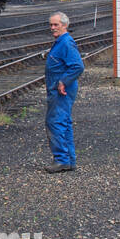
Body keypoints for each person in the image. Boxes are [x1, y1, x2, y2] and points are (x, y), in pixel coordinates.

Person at [44, 11, 84, 172]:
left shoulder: (66, 43)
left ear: (65, 25)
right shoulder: (60, 42)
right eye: (51, 25)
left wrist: (62, 82)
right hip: (59, 88)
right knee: (64, 122)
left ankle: (61, 160)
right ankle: (69, 160)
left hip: (61, 90)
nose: (53, 28)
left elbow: (78, 66)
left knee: (55, 122)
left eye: (56, 25)